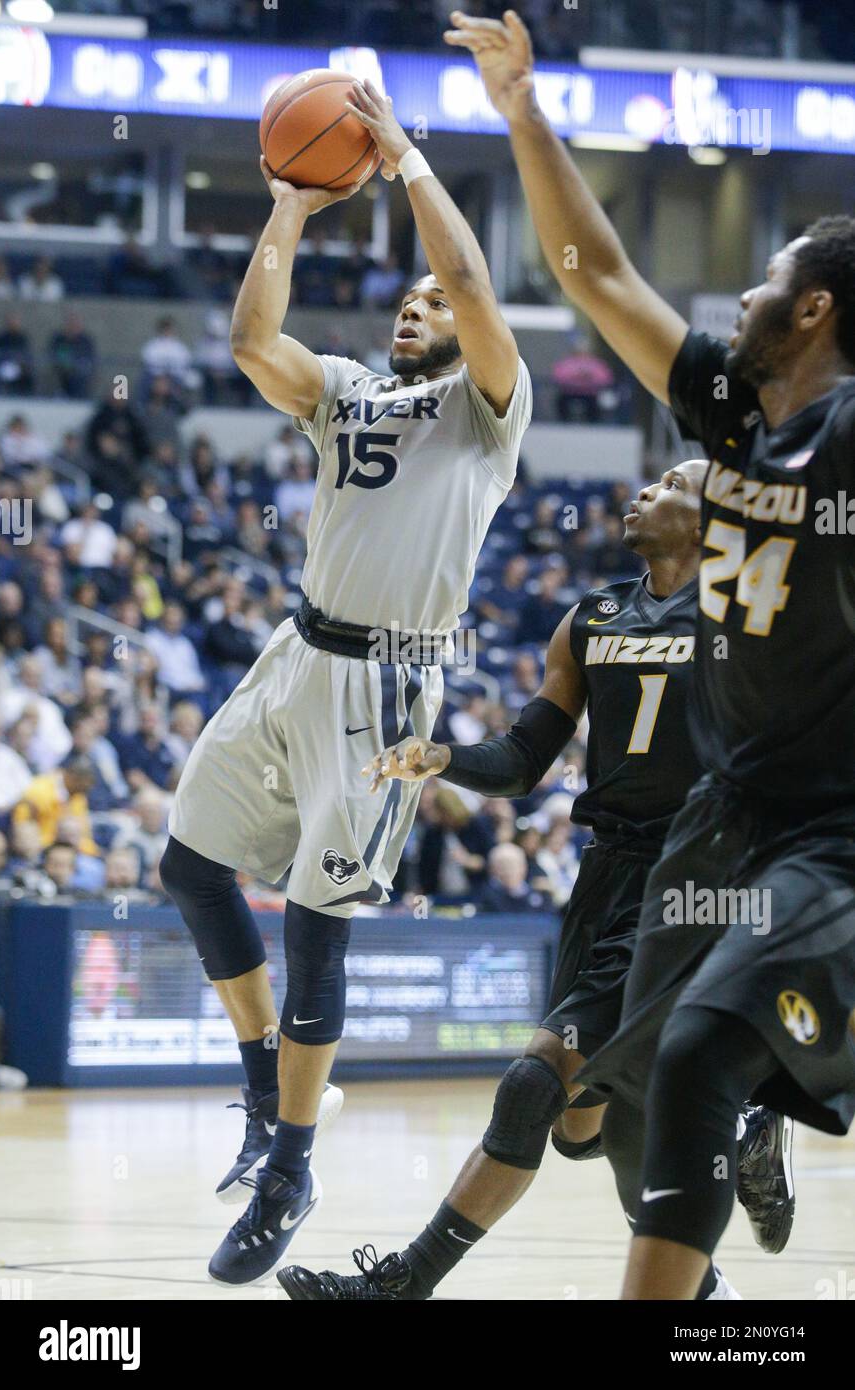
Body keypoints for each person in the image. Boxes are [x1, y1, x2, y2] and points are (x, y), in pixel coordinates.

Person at [447, 9, 855, 1301]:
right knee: (642, 1070)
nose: (729, 299)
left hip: (835, 828)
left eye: (757, 280)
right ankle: (758, 1131)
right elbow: (592, 272)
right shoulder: (735, 418)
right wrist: (521, 107)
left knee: (694, 1053)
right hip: (722, 819)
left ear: (811, 306)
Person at [159, 76, 532, 1286]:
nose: (424, 303)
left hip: (386, 689)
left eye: (437, 298)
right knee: (189, 860)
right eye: (410, 298)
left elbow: (473, 284)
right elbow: (250, 343)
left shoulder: (487, 411)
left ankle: (293, 1163)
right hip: (294, 655)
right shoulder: (351, 391)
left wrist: (406, 157)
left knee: (320, 933)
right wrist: (290, 204)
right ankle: (263, 1088)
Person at [277, 462, 792, 1300]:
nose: (641, 491)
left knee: (532, 1085)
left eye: (669, 483)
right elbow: (523, 760)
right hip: (605, 878)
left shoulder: (755, 616)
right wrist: (443, 757)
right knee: (591, 1133)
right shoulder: (590, 619)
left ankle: (403, 1286)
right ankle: (727, 1219)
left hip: (693, 879)